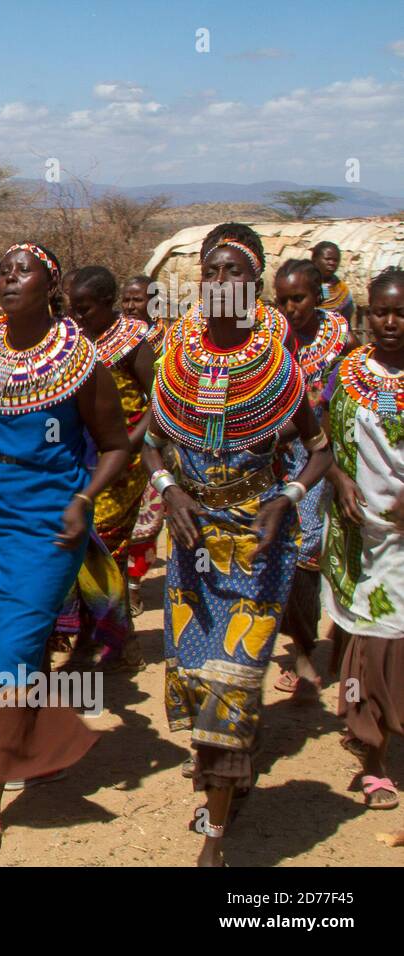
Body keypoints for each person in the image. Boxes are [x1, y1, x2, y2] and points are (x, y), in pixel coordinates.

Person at [142, 223, 330, 866]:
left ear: (255, 286)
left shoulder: (279, 364)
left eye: (234, 273)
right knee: (197, 680)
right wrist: (169, 490)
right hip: (192, 543)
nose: (221, 284)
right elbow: (148, 440)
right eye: (212, 272)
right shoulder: (172, 355)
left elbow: (321, 448)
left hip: (258, 544)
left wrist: (288, 498)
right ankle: (225, 778)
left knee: (235, 684)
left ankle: (215, 842)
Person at [0, 242, 131, 849]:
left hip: (50, 519)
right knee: (9, 647)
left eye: (22, 273)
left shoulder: (78, 359)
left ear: (49, 286)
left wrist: (84, 501)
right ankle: (42, 743)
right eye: (3, 272)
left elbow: (115, 444)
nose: (6, 281)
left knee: (18, 645)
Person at [325, 267, 404, 810]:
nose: (390, 322)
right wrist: (341, 478)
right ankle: (374, 754)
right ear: (366, 313)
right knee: (371, 638)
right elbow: (320, 438)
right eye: (380, 311)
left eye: (400, 312)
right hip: (359, 529)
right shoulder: (347, 372)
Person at [271, 258, 354, 695]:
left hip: (333, 452)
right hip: (283, 453)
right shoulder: (268, 339)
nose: (290, 308)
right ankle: (302, 647)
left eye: (298, 298)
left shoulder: (339, 335)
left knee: (322, 547)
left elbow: (354, 389)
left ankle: (328, 645)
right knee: (291, 549)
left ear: (317, 296)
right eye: (282, 300)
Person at [67, 265, 155, 670]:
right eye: (74, 308)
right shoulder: (73, 340)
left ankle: (103, 642)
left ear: (108, 303)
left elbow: (158, 403)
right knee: (87, 549)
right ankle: (113, 641)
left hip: (124, 462)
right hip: (80, 458)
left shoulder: (136, 341)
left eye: (85, 309)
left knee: (99, 543)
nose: (79, 316)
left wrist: (129, 449)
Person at [123, 273, 164, 613]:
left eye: (139, 300)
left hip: (152, 441)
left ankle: (133, 584)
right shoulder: (112, 337)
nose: (132, 306)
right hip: (110, 442)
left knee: (147, 520)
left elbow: (162, 397)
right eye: (127, 300)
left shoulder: (168, 340)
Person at [312, 240, 355, 323]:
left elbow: (346, 324)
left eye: (335, 260)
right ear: (314, 259)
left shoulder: (342, 291)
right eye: (327, 259)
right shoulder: (301, 286)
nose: (332, 263)